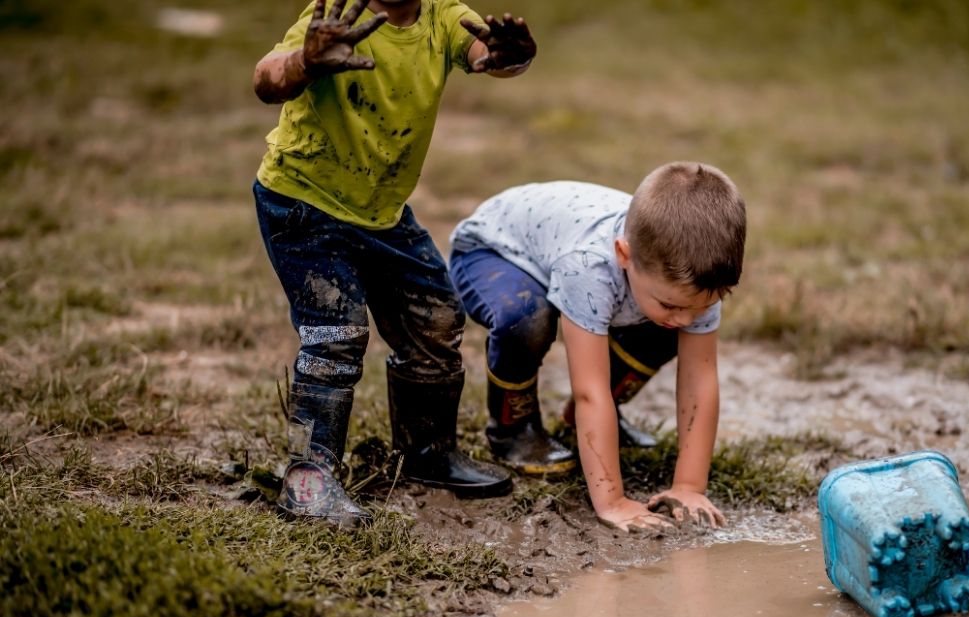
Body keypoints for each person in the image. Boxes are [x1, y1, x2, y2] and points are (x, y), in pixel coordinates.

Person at [251, 0, 537, 528]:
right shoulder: (337, 13)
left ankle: (426, 452)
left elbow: (484, 53)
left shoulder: (441, 17)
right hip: (302, 202)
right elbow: (267, 79)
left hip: (381, 214)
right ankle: (306, 482)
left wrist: (511, 59)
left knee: (437, 316)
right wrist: (307, 62)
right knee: (335, 334)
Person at [449, 162, 746, 531]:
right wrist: (613, 502)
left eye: (700, 306)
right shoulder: (589, 267)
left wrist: (688, 486)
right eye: (671, 304)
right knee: (526, 317)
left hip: (577, 259)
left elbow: (700, 381)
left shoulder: (695, 276)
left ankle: (584, 422)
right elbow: (589, 389)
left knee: (665, 327)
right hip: (493, 253)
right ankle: (514, 428)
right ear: (625, 255)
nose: (687, 318)